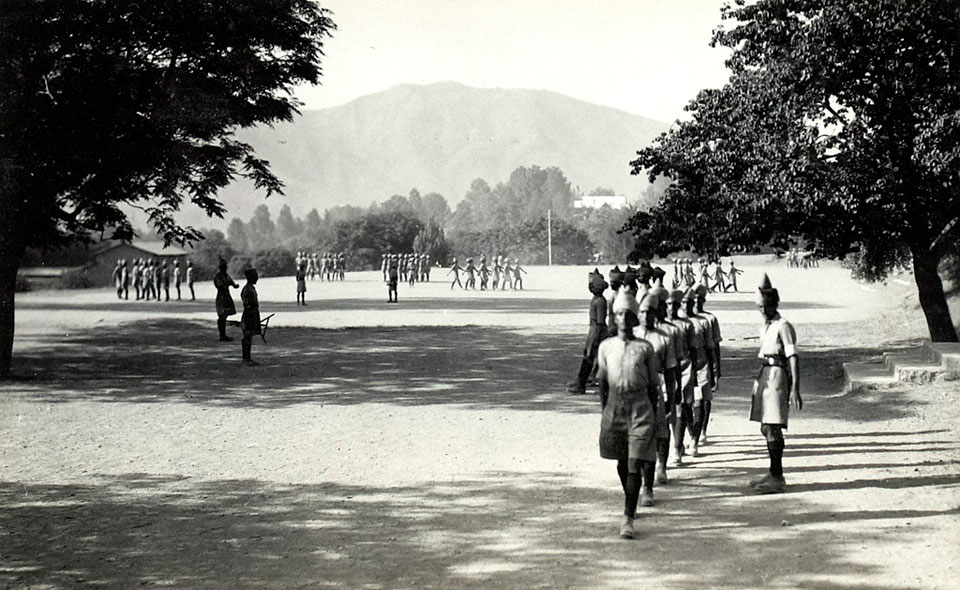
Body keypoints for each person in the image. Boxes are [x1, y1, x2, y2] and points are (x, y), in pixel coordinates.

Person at [596, 286, 661, 539]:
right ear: (614, 318)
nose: (623, 319)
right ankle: (630, 499)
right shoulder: (606, 347)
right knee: (622, 463)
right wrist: (605, 412)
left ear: (635, 319)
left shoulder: (645, 348)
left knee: (635, 463)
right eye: (619, 314)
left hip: (640, 408)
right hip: (615, 408)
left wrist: (655, 417)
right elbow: (602, 383)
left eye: (628, 315)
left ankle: (628, 517)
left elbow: (654, 386)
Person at [750, 274, 801, 493]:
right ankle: (772, 471)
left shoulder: (783, 326)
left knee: (773, 426)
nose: (762, 311)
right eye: (760, 307)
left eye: (765, 307)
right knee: (765, 425)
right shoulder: (766, 327)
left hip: (778, 375)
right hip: (765, 374)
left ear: (774, 305)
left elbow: (793, 356)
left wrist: (795, 388)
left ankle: (778, 477)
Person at [633, 290, 678, 504]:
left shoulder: (663, 338)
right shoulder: (630, 335)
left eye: (650, 312)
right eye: (642, 312)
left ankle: (656, 475)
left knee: (659, 432)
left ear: (655, 314)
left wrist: (671, 396)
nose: (645, 316)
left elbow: (670, 371)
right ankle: (641, 479)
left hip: (656, 391)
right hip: (634, 392)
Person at [680, 286, 715, 458]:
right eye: (684, 302)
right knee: (685, 403)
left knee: (700, 400)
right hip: (684, 367)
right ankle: (690, 431)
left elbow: (711, 348)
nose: (687, 306)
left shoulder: (703, 322)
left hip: (701, 365)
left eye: (690, 302)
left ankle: (695, 437)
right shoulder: (678, 323)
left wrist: (715, 370)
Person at [566, 269, 608, 395]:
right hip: (594, 330)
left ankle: (581, 384)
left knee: (589, 358)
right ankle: (580, 381)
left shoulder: (600, 301)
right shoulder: (596, 299)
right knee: (587, 357)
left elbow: (600, 322)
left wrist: (594, 339)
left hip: (597, 332)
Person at [696, 284, 723, 444]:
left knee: (705, 398)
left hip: (705, 362)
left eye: (698, 299)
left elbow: (716, 346)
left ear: (703, 300)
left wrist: (716, 369)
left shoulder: (710, 319)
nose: (695, 302)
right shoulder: (682, 320)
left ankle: (703, 430)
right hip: (688, 364)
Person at [213, 258, 239, 341]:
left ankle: (223, 334)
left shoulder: (224, 276)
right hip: (222, 297)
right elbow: (220, 286)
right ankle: (222, 335)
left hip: (225, 296)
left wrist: (233, 285)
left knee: (224, 316)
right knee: (222, 316)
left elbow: (232, 283)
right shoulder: (219, 276)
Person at [240, 268, 261, 366]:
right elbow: (247, 304)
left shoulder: (250, 288)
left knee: (249, 337)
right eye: (255, 276)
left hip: (252, 315)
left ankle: (248, 358)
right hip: (249, 315)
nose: (257, 278)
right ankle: (245, 359)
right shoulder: (247, 289)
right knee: (247, 337)